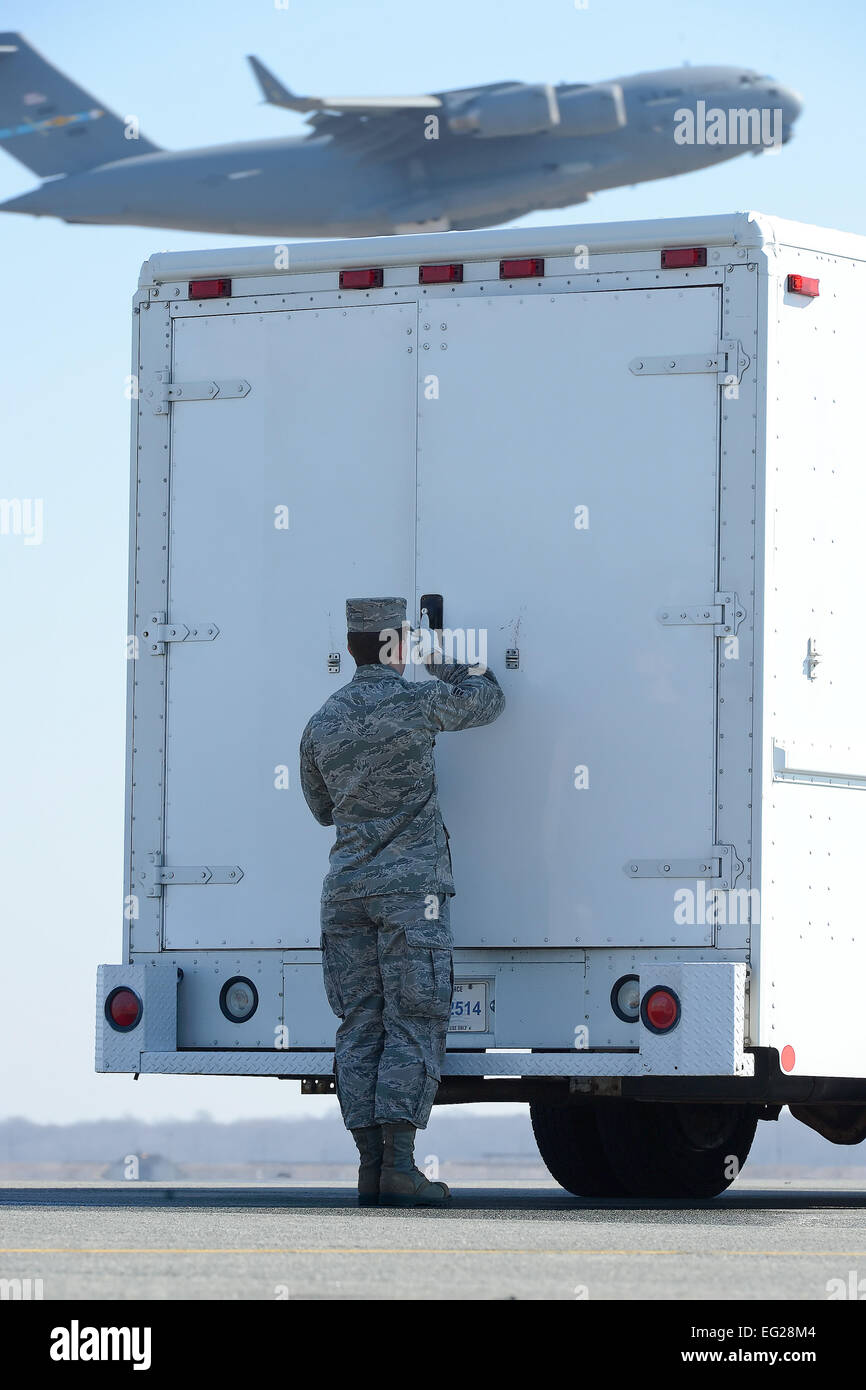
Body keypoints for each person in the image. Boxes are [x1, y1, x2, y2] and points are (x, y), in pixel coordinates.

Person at [299, 597, 505, 1206]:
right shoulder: (414, 703)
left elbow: (321, 810)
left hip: (346, 894)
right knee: (412, 1019)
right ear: (395, 645)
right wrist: (439, 658)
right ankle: (401, 1167)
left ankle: (370, 1171)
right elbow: (487, 697)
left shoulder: (322, 720)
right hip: (411, 897)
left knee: (359, 1023)